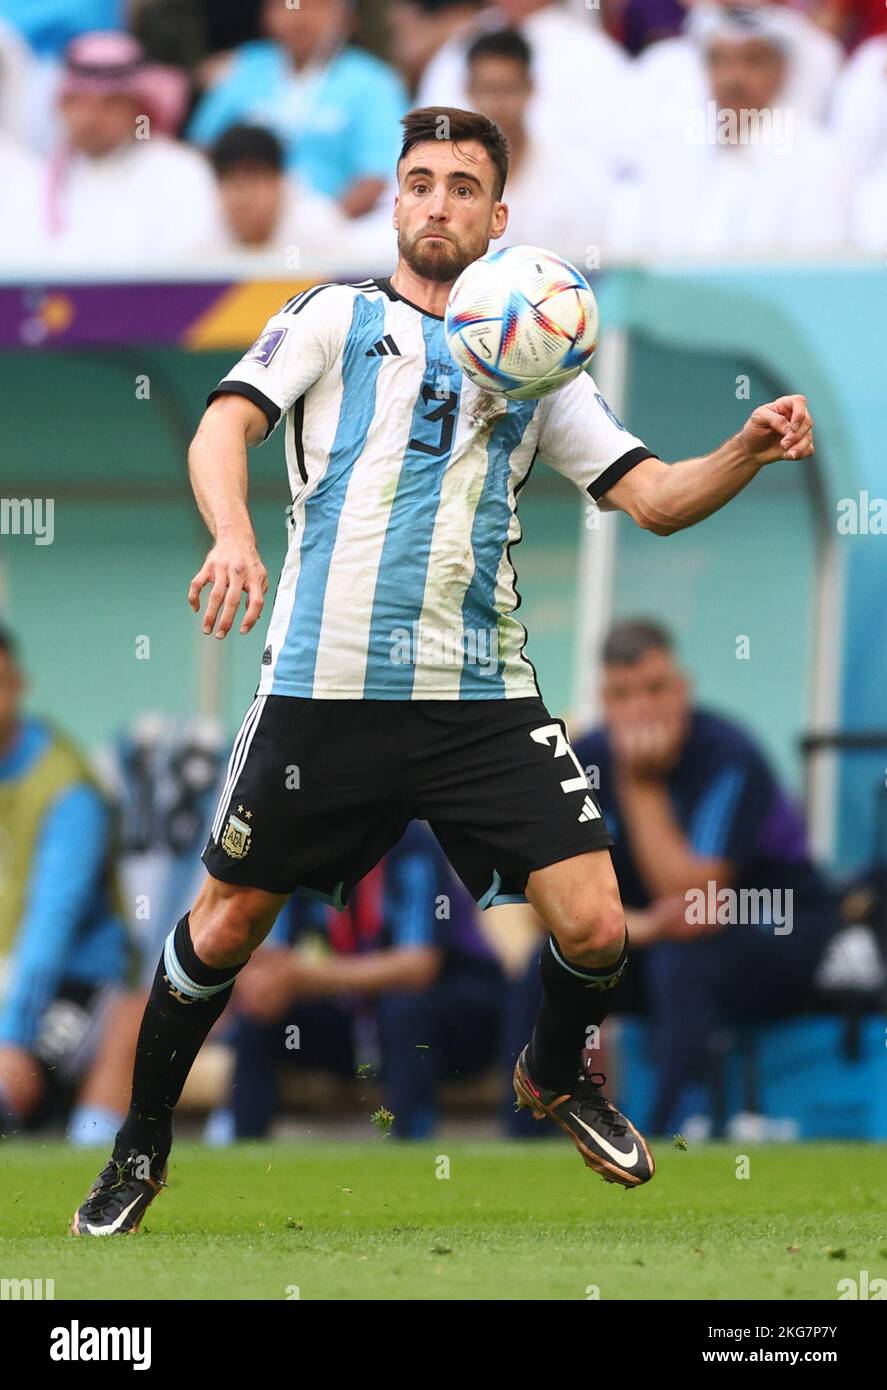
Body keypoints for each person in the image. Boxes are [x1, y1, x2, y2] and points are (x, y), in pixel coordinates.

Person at [71, 103, 816, 1235]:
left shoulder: (536, 362)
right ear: (395, 198)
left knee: (598, 924)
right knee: (224, 926)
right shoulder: (333, 316)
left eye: (461, 186)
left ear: (496, 216)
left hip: (479, 696)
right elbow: (220, 428)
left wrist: (745, 449)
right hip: (323, 690)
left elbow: (655, 497)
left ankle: (555, 1073)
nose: (435, 201)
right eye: (418, 180)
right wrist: (231, 532)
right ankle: (139, 1143)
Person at [572, 619, 839, 1134]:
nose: (641, 709)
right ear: (605, 700)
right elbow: (553, 906)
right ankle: (531, 1140)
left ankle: (670, 1131)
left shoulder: (728, 755)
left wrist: (639, 785)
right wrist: (644, 926)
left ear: (683, 689)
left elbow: (694, 905)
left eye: (655, 689)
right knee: (549, 971)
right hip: (656, 934)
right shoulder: (585, 759)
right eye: (623, 695)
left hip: (776, 927)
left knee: (682, 961)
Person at [223, 821, 504, 1140]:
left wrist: (304, 974)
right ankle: (242, 1145)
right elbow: (273, 959)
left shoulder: (411, 844)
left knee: (405, 1009)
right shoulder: (299, 851)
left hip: (451, 1017)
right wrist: (261, 984)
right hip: (357, 1022)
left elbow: (419, 966)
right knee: (262, 1018)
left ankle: (412, 1147)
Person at [0, 625, 140, 1139]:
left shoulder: (66, 788)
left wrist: (11, 1034)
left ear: (17, 685)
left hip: (76, 979)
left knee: (10, 1083)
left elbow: (50, 922)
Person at [612, 5, 851, 256]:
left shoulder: (819, 161)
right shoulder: (673, 153)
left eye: (753, 60)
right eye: (720, 60)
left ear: (783, 71)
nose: (733, 77)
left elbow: (817, 274)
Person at [187, 0, 408, 219]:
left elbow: (377, 175)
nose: (300, 18)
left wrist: (326, 225)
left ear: (346, 17)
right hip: (242, 228)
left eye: (317, 7)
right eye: (289, 5)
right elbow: (200, 153)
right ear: (267, 13)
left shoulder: (375, 82)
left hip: (339, 231)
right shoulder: (243, 69)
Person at [45, 30, 217, 269]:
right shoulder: (38, 178)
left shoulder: (180, 172)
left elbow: (189, 272)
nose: (90, 117)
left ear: (138, 108)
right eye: (78, 101)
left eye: (110, 103)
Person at [465, 28, 610, 257]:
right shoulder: (448, 179)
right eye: (488, 90)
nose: (498, 104)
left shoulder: (570, 176)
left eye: (508, 89)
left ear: (530, 88)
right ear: (469, 90)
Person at [198, 123, 353, 273]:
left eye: (252, 179)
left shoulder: (320, 229)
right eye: (229, 180)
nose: (241, 196)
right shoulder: (204, 245)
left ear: (279, 181)